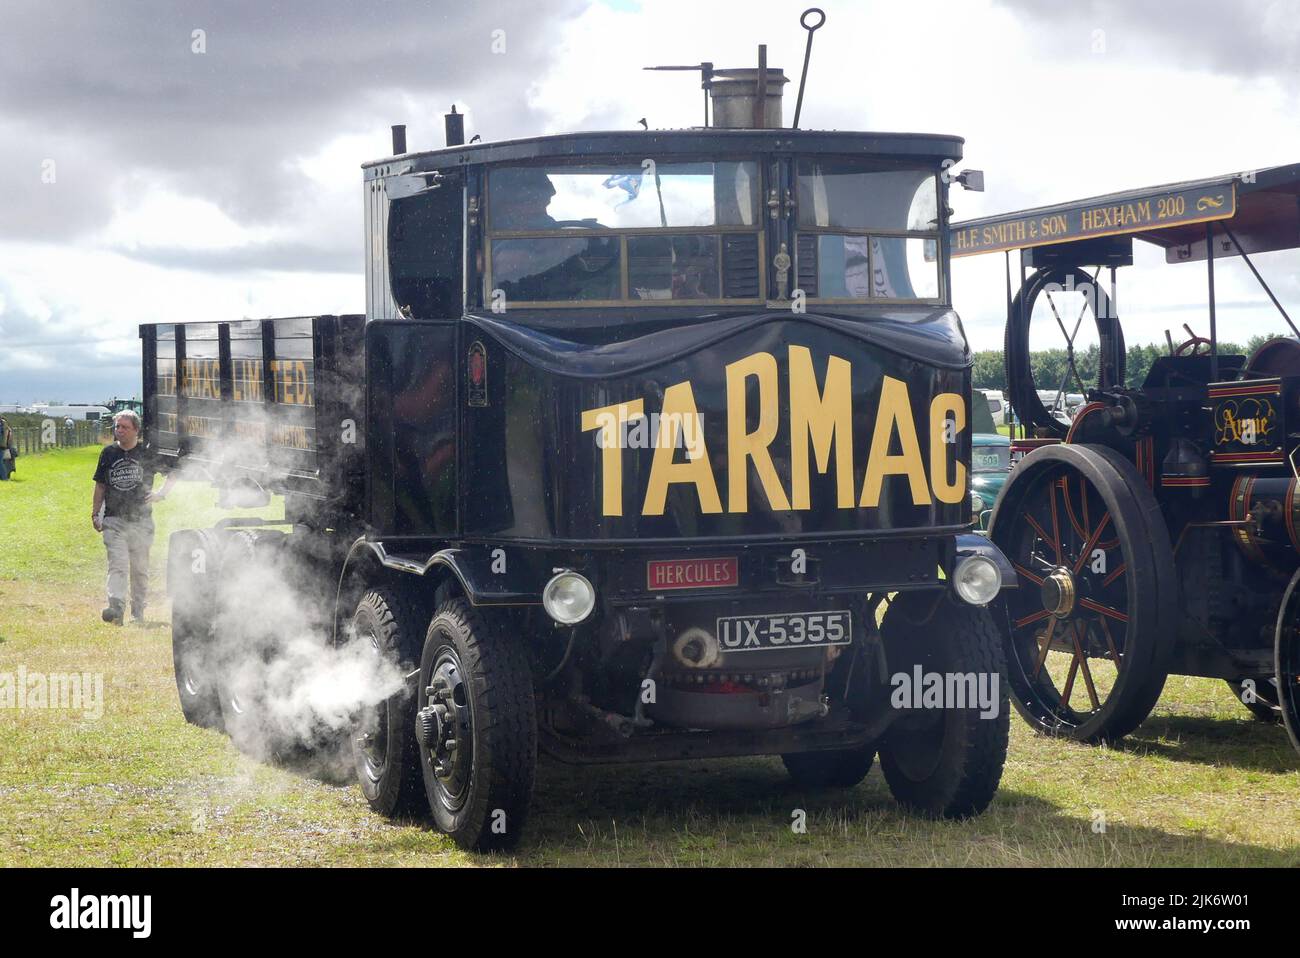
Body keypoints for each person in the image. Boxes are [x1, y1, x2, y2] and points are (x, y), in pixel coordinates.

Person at [91, 410, 176, 625]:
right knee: (117, 564)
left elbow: (173, 472)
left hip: (141, 521)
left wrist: (160, 494)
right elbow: (100, 485)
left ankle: (138, 612)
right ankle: (116, 609)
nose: (119, 430)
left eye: (124, 427)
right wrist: (95, 512)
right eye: (117, 427)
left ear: (136, 430)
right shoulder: (108, 453)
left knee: (139, 569)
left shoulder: (148, 453)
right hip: (114, 519)